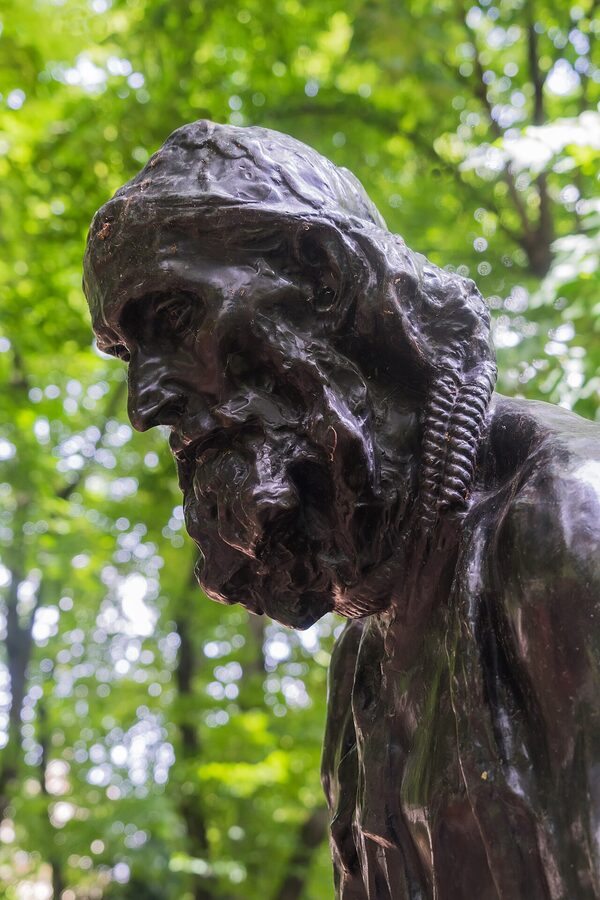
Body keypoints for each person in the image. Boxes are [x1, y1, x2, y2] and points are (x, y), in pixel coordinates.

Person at [84, 120, 600, 899]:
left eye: (175, 321)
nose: (144, 404)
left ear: (322, 279)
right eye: (130, 355)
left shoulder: (566, 531)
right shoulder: (364, 650)